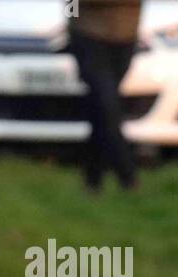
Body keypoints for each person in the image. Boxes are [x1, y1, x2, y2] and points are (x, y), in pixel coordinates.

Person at [67, 0, 141, 192]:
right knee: (106, 104)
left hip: (126, 35)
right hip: (88, 34)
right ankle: (128, 177)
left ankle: (92, 181)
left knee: (100, 109)